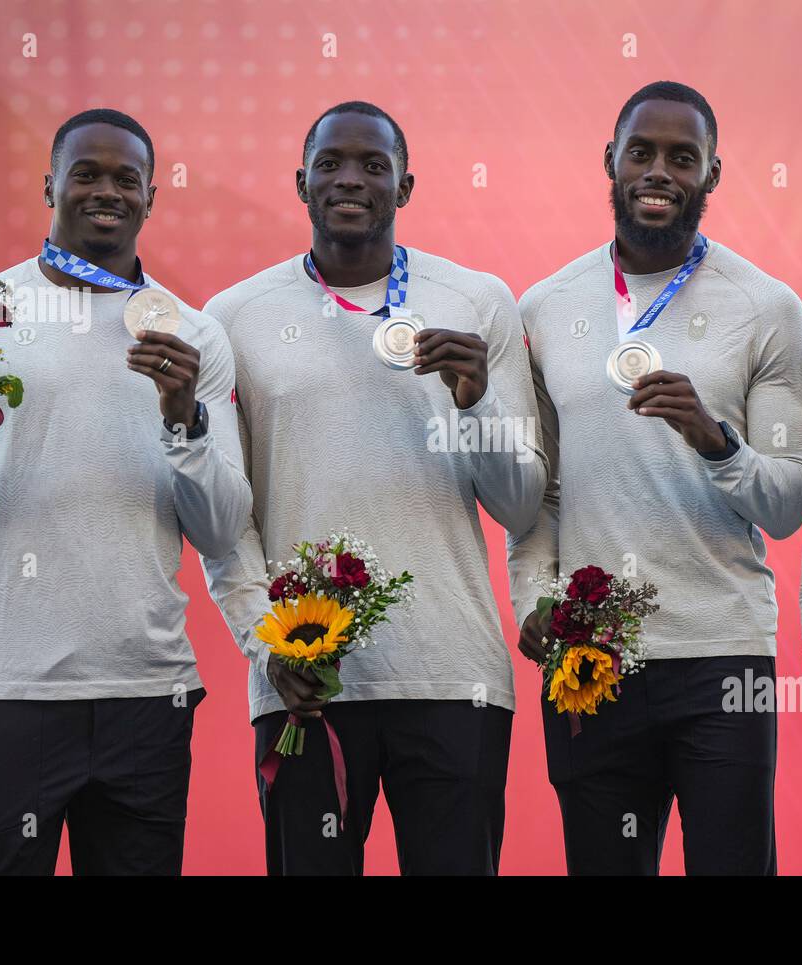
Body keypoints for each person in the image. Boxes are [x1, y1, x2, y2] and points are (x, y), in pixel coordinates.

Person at [0, 108, 251, 875]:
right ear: (49, 183)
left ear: (153, 197)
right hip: (2, 687)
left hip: (146, 692)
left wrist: (187, 422)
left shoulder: (194, 336)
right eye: (86, 173)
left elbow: (221, 529)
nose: (105, 191)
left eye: (126, 178)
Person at [200, 101, 547, 875]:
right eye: (330, 164)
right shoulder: (232, 318)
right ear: (301, 182)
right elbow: (226, 521)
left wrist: (477, 399)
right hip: (308, 683)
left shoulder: (478, 301)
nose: (350, 179)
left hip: (453, 674)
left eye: (373, 165)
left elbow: (522, 504)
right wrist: (267, 644)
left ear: (407, 185)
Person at [507, 81, 802, 875]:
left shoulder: (768, 307)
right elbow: (539, 491)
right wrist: (534, 595)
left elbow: (786, 502)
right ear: (609, 160)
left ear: (712, 175)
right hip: (593, 656)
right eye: (641, 152)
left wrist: (715, 441)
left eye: (684, 158)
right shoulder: (542, 307)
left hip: (721, 652)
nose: (658, 171)